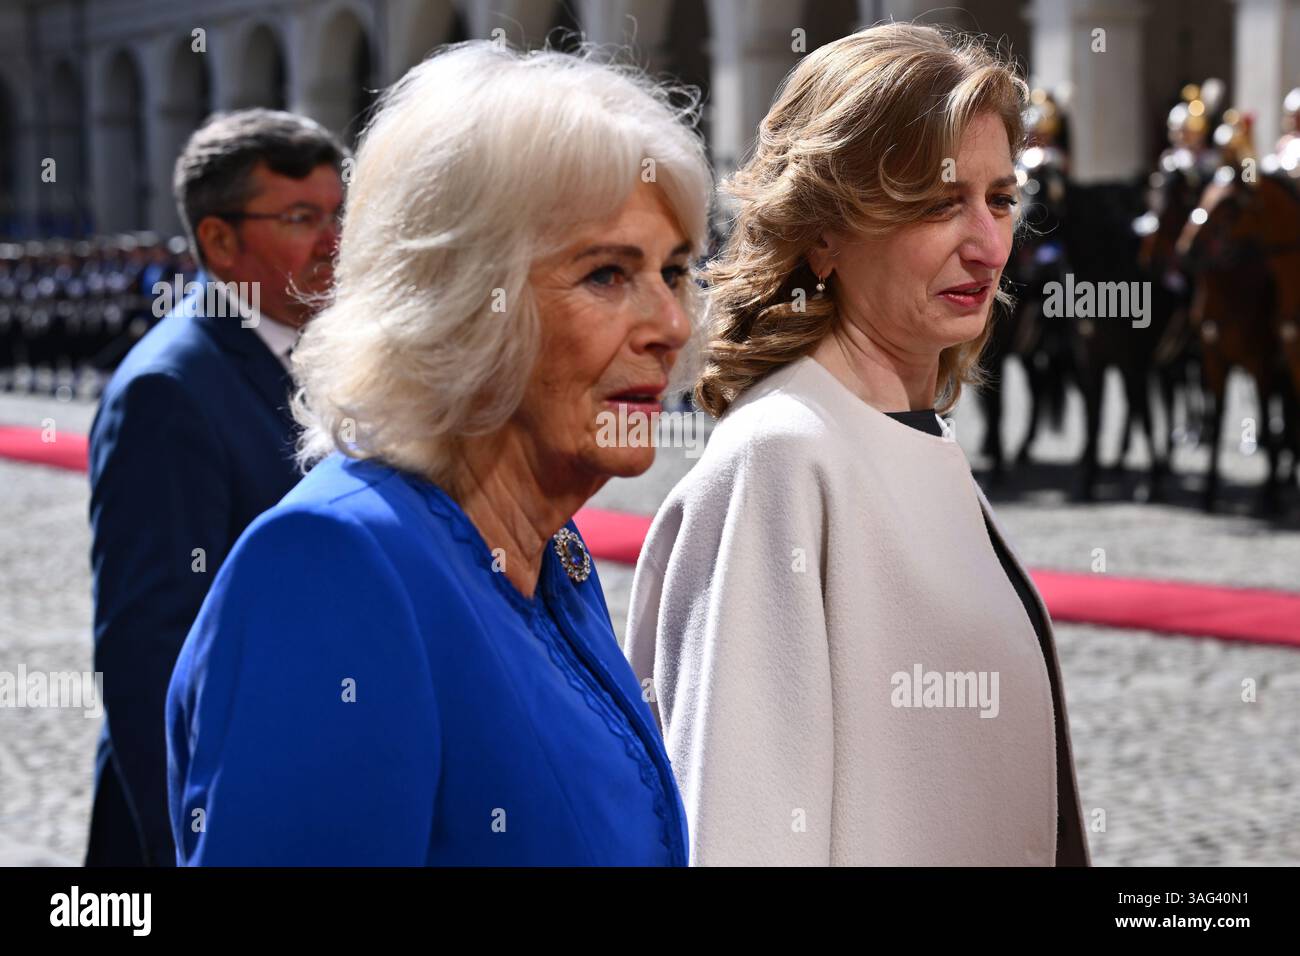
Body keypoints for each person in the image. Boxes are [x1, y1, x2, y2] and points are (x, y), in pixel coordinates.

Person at [165, 41, 712, 865]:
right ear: (460, 300)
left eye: (674, 271)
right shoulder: (333, 568)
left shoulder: (550, 550)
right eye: (607, 274)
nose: (671, 324)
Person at [625, 23, 1091, 866]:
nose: (988, 244)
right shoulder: (782, 458)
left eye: (1000, 198)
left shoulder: (900, 433)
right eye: (940, 202)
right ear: (825, 231)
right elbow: (742, 834)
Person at [86, 109, 346, 866]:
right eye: (302, 218)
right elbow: (147, 653)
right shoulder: (171, 390)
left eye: (339, 213)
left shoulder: (319, 349)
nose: (334, 240)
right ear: (220, 241)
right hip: (218, 807)